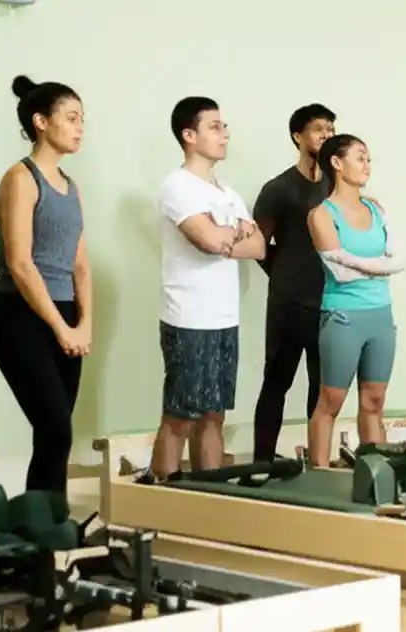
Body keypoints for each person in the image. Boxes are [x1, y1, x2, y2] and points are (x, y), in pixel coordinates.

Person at [148, 97, 266, 481]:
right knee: (182, 414)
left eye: (223, 126)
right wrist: (232, 234)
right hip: (188, 317)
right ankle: (162, 492)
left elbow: (259, 246)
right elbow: (208, 240)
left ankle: (210, 494)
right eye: (214, 127)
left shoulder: (227, 194)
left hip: (224, 318)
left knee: (215, 413)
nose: (224, 134)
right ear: (189, 135)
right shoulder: (177, 185)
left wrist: (225, 234)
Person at [0, 75, 92, 495]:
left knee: (56, 435)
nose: (80, 127)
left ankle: (48, 519)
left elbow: (80, 265)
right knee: (54, 429)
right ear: (41, 122)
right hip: (21, 315)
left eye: (82, 119)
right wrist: (60, 327)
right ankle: (42, 523)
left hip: (65, 313)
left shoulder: (71, 187)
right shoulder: (21, 178)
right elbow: (20, 263)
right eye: (71, 118)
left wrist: (84, 324)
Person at [306, 134, 406, 467]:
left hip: (380, 315)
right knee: (331, 399)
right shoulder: (321, 214)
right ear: (337, 163)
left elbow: (400, 259)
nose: (367, 165)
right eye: (360, 157)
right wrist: (379, 267)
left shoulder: (376, 208)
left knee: (374, 400)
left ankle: (375, 473)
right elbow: (340, 272)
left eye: (368, 159)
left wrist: (355, 261)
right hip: (344, 316)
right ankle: (319, 473)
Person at [250, 103, 337, 462]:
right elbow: (257, 244)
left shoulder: (336, 187)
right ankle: (262, 462)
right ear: (298, 136)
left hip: (329, 302)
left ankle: (318, 463)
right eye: (319, 129)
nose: (326, 136)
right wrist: (285, 274)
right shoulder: (279, 188)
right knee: (276, 383)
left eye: (330, 130)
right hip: (288, 304)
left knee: (322, 389)